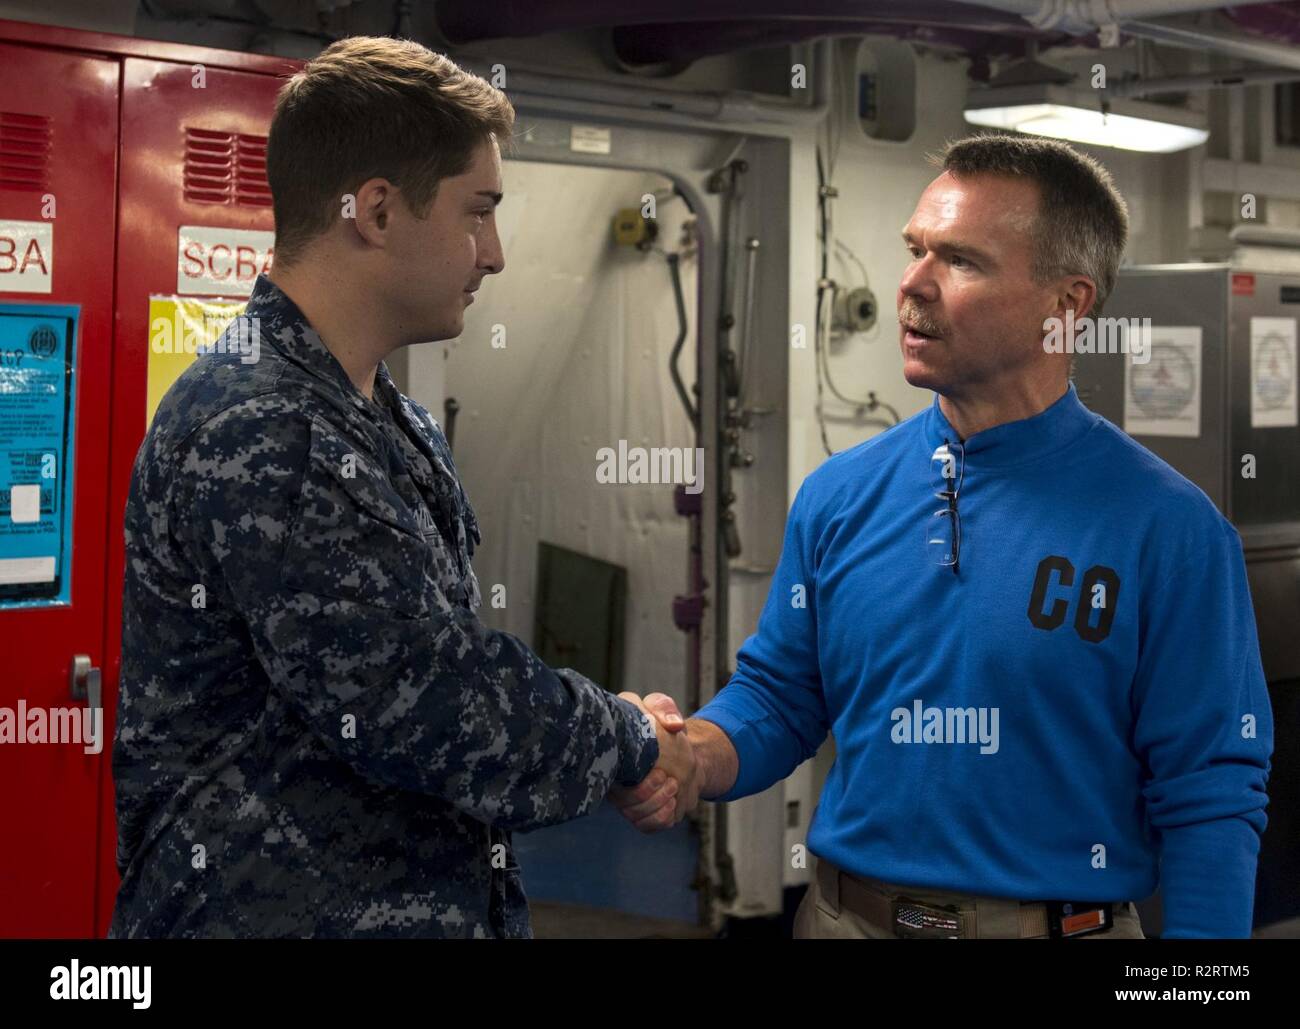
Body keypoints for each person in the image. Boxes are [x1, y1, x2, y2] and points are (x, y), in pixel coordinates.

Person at [612, 134, 1274, 939]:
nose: (912, 284)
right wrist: (690, 754)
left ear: (1066, 305)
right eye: (914, 248)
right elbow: (783, 696)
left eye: (960, 260)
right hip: (842, 922)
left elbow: (1210, 790)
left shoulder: (1170, 530)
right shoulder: (839, 493)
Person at [110, 36, 695, 939]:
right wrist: (622, 737)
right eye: (478, 212)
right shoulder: (270, 421)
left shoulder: (384, 419)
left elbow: (431, 652)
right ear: (377, 211)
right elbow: (418, 695)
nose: (494, 253)